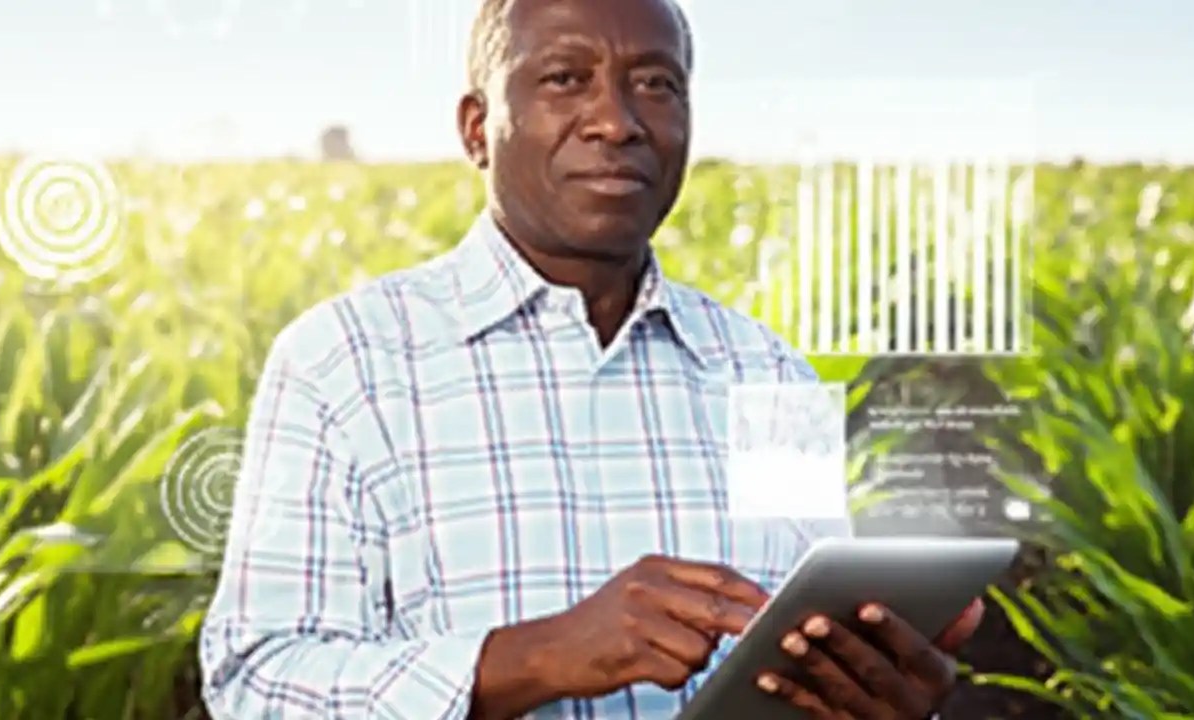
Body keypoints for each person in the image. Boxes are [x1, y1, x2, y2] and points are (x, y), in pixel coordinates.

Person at [197, 0, 984, 717]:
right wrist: (538, 658)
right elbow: (257, 683)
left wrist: (874, 692)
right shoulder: (346, 362)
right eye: (565, 79)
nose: (617, 120)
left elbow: (796, 660)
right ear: (477, 128)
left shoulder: (769, 374)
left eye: (656, 84)